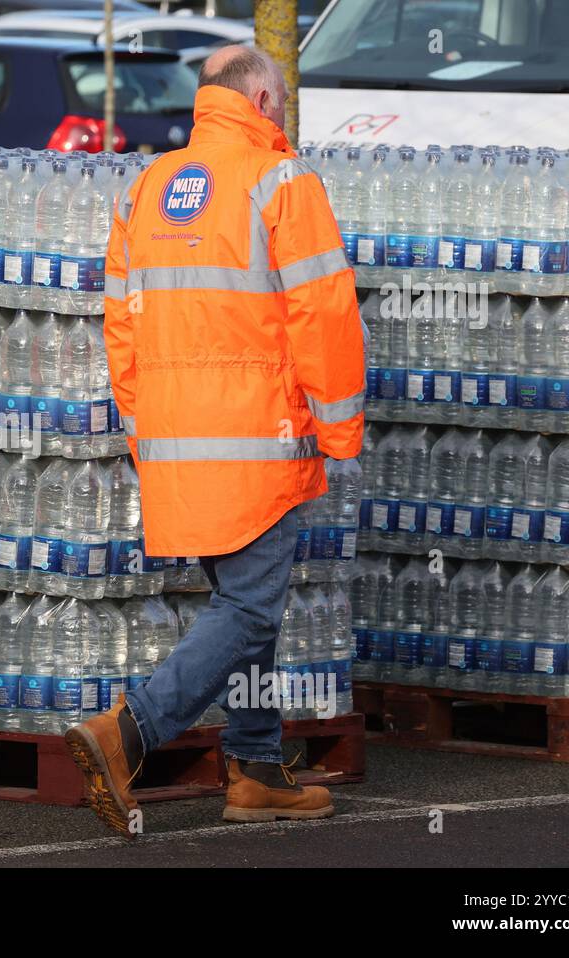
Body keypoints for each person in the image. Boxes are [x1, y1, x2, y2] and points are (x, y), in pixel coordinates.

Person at [64, 45, 364, 835]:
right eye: (284, 103)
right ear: (264, 98)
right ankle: (127, 733)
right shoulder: (282, 181)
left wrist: (147, 429)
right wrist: (340, 429)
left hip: (178, 443)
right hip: (260, 439)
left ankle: (256, 766)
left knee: (243, 604)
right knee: (251, 611)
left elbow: (121, 330)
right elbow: (323, 316)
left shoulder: (146, 187)